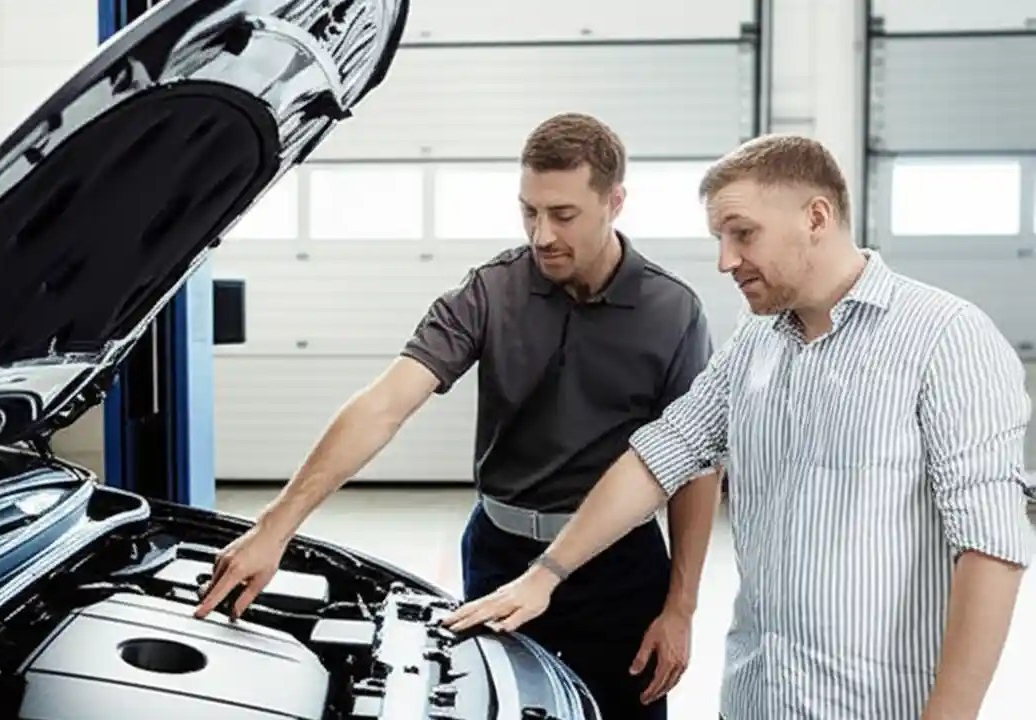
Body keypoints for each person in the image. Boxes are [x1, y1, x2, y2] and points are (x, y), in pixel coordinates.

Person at [442, 133, 1036, 720]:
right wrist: (546, 573)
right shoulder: (754, 344)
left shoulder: (946, 338)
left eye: (742, 233)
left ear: (817, 217)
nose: (726, 260)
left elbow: (989, 550)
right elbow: (659, 457)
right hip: (757, 696)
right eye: (719, 238)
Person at [192, 112, 725, 718]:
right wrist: (275, 525)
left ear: (615, 202)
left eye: (563, 214)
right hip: (499, 557)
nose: (541, 234)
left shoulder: (671, 310)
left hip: (619, 572)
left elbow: (695, 467)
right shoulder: (490, 291)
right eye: (529, 211)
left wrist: (680, 607)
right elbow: (385, 403)